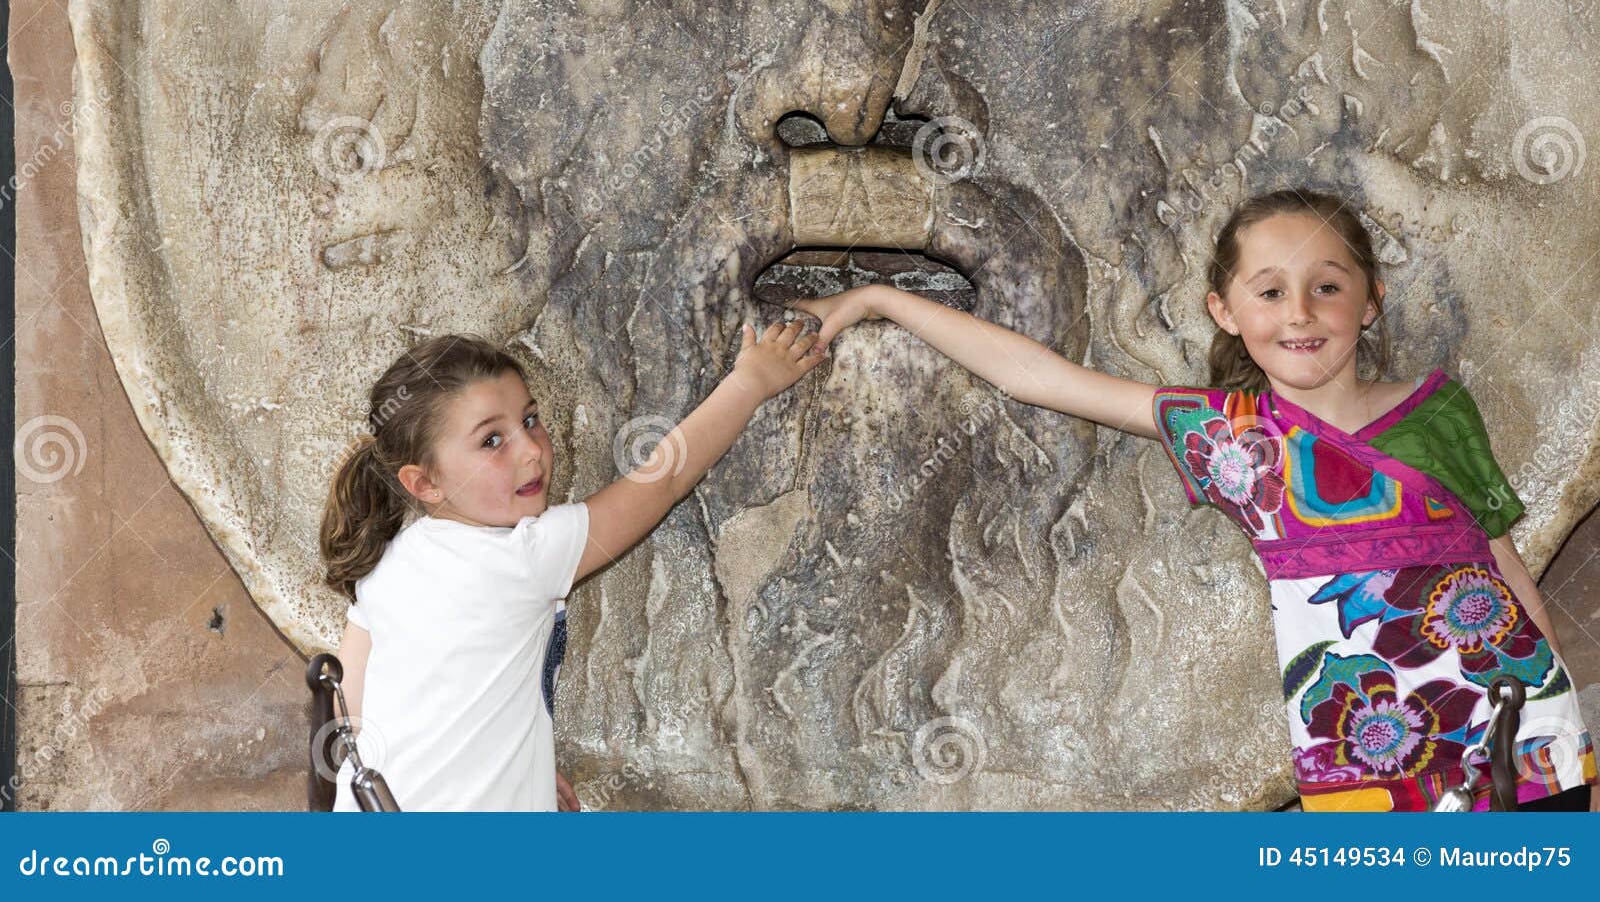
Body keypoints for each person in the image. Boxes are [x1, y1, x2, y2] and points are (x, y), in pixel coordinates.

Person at [796, 186, 1598, 812]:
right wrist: (877, 300)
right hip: (1362, 743)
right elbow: (1039, 377)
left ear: (1371, 297)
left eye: (1326, 285)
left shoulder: (1437, 407)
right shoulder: (1229, 437)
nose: (1301, 313)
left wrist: (1567, 714)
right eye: (1270, 292)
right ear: (1225, 311)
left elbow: (1500, 560)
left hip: (1522, 725)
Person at [317, 322, 825, 810]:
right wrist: (751, 381)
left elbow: (353, 718)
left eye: (529, 420)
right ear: (425, 483)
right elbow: (665, 479)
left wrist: (522, 767)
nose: (531, 452)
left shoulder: (387, 560)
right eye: (491, 440)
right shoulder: (527, 555)